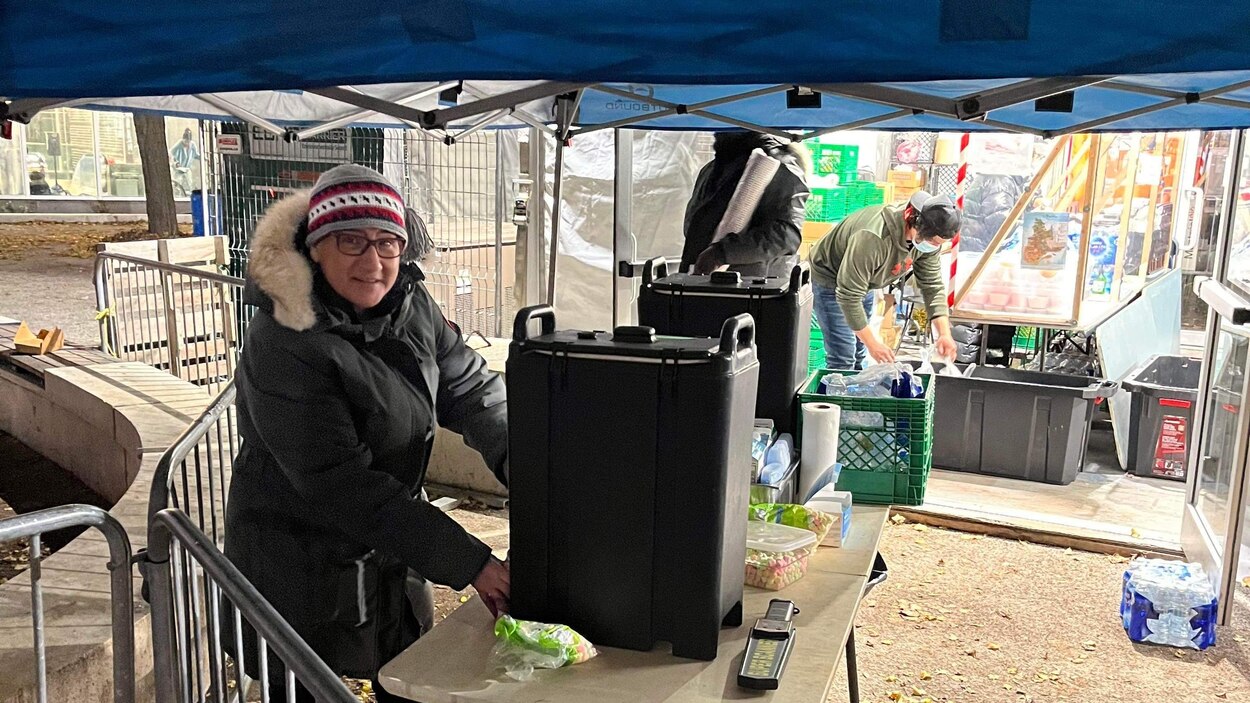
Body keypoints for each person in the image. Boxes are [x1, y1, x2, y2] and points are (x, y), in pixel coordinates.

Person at [224, 164, 509, 702]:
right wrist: (469, 561)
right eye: (351, 241)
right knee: (307, 683)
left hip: (390, 541)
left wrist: (525, 464)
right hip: (297, 558)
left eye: (386, 242)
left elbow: (471, 389)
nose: (373, 262)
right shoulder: (283, 337)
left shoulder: (410, 302)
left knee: (406, 670)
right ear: (317, 247)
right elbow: (338, 482)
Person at [808, 190, 961, 370]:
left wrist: (944, 333)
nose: (934, 247)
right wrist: (874, 344)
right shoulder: (872, 237)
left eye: (939, 244)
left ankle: (857, 386)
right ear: (914, 222)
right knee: (843, 357)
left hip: (864, 282)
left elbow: (932, 286)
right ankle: (836, 386)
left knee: (859, 352)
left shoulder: (927, 241)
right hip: (830, 279)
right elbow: (849, 296)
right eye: (933, 242)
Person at [682, 130, 810, 277]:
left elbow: (786, 236)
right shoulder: (713, 166)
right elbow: (695, 221)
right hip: (704, 279)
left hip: (753, 284)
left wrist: (722, 253)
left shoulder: (778, 163)